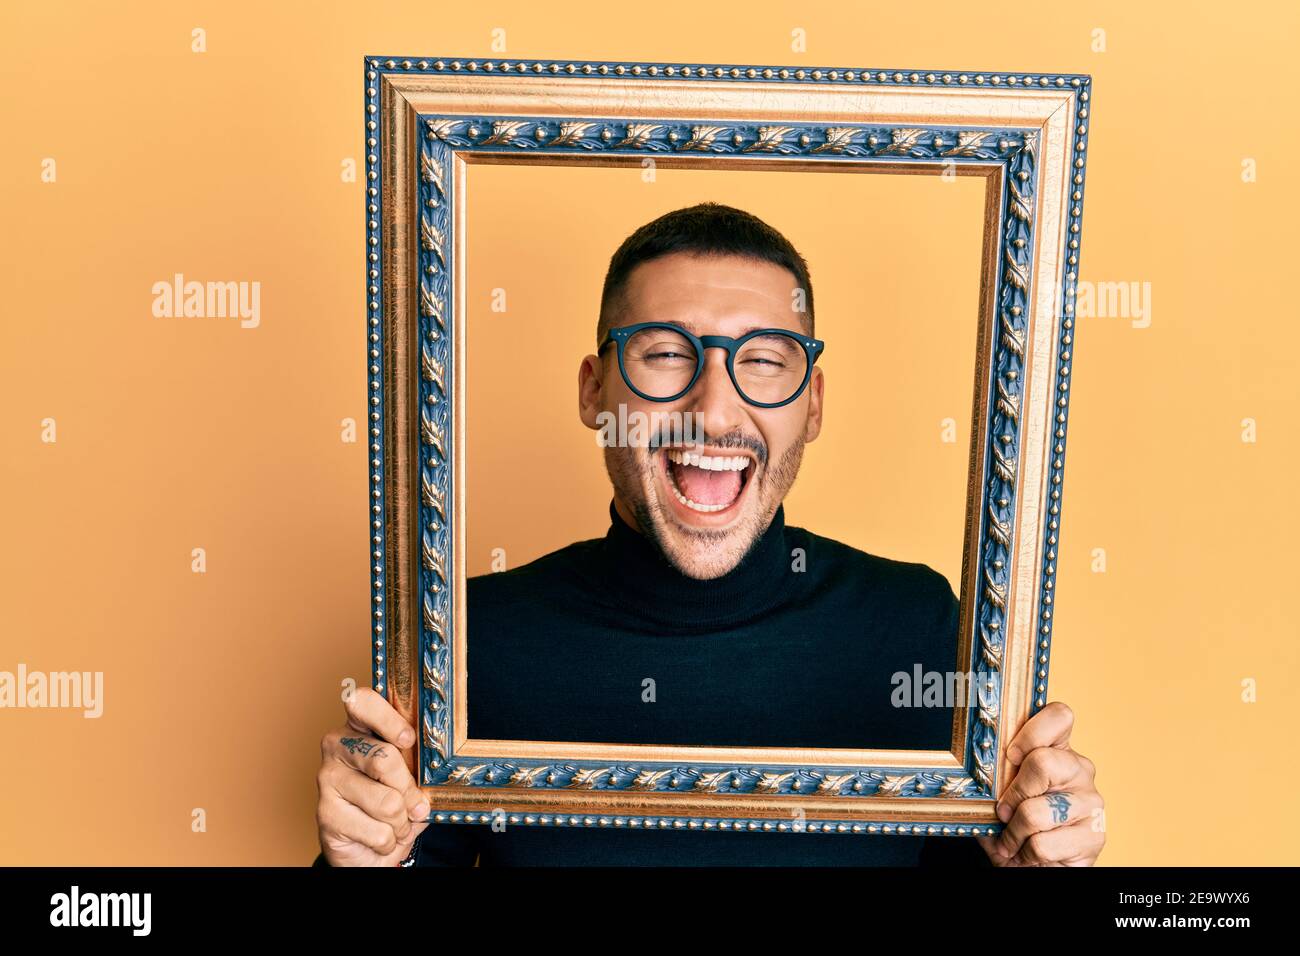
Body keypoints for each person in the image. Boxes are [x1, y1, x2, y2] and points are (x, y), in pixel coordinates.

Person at [314, 203, 1105, 867]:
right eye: (665, 353)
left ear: (814, 404)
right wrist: (365, 855)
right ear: (595, 392)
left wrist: (1042, 855)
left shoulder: (917, 625)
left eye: (764, 360)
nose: (715, 411)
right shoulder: (466, 639)